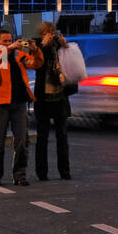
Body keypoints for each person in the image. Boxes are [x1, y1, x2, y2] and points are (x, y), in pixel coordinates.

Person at [0, 28, 43, 186]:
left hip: (19, 103)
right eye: (5, 41)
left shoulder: (19, 55)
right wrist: (7, 50)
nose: (9, 43)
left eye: (10, 40)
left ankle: (20, 175)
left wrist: (35, 50)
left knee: (22, 141)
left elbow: (36, 63)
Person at [31, 21, 73, 181]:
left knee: (62, 136)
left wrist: (64, 45)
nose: (50, 35)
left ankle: (65, 171)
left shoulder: (59, 45)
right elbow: (36, 65)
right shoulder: (36, 44)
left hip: (60, 97)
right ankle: (42, 173)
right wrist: (42, 45)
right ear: (41, 33)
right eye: (46, 32)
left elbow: (70, 63)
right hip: (43, 99)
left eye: (52, 32)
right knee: (42, 137)